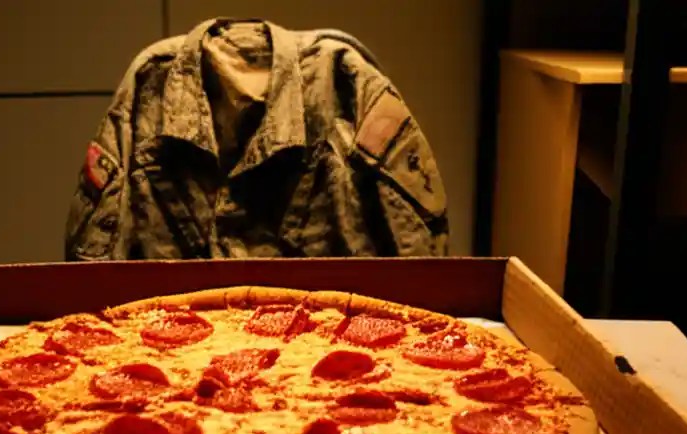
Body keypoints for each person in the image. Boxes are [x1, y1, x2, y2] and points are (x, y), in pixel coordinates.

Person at [64, 18, 449, 261]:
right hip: (176, 364)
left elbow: (419, 252)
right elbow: (91, 254)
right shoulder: (149, 81)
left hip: (322, 363)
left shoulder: (346, 82)